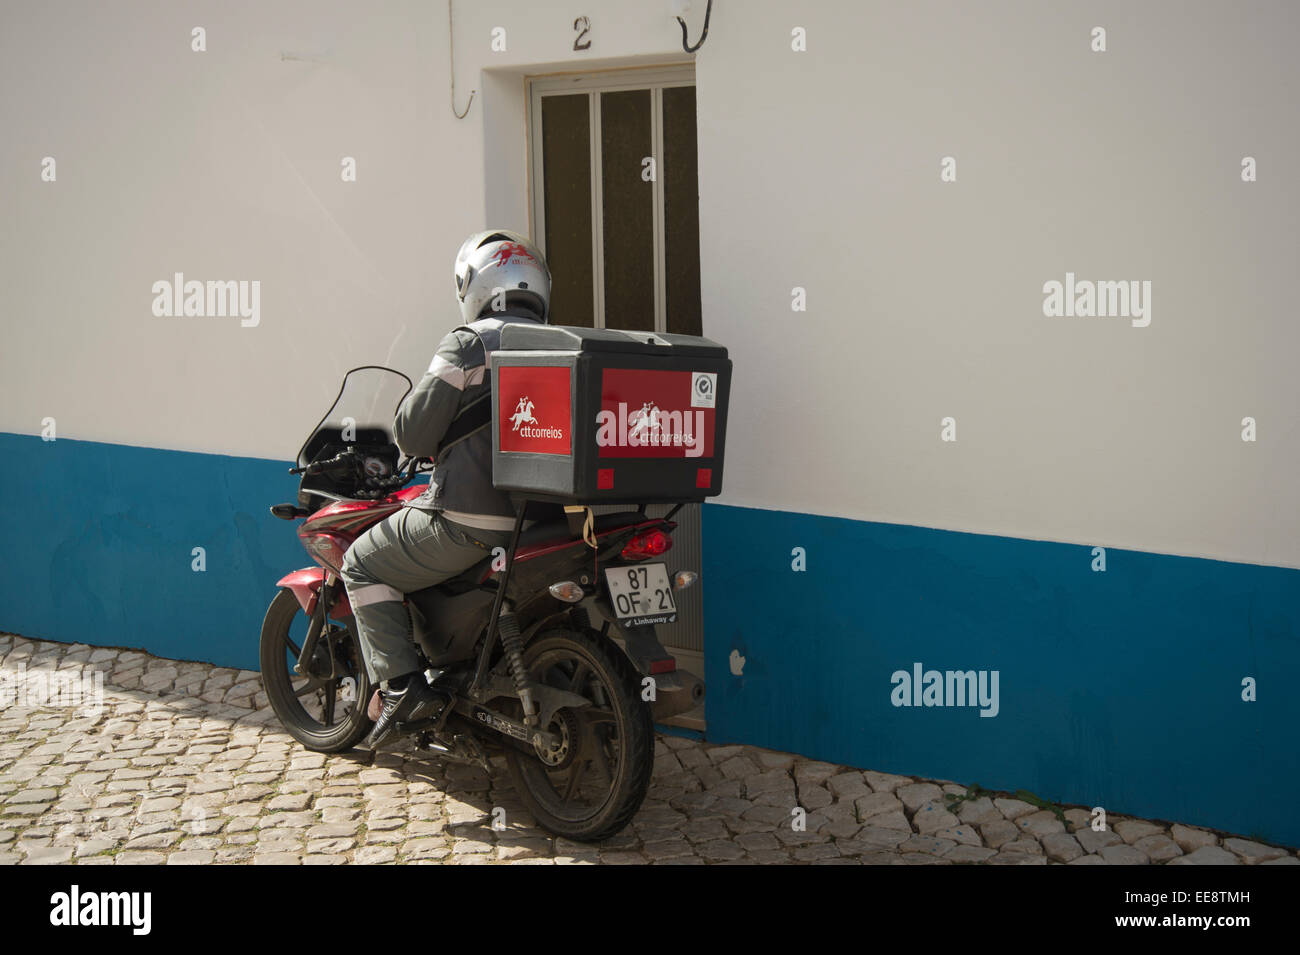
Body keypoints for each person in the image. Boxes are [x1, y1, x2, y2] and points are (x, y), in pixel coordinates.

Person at [341, 230, 553, 749]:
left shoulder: (469, 343)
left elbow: (413, 432)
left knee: (360, 563)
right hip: (546, 522)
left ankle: (399, 688)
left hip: (467, 518)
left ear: (476, 284)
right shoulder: (562, 344)